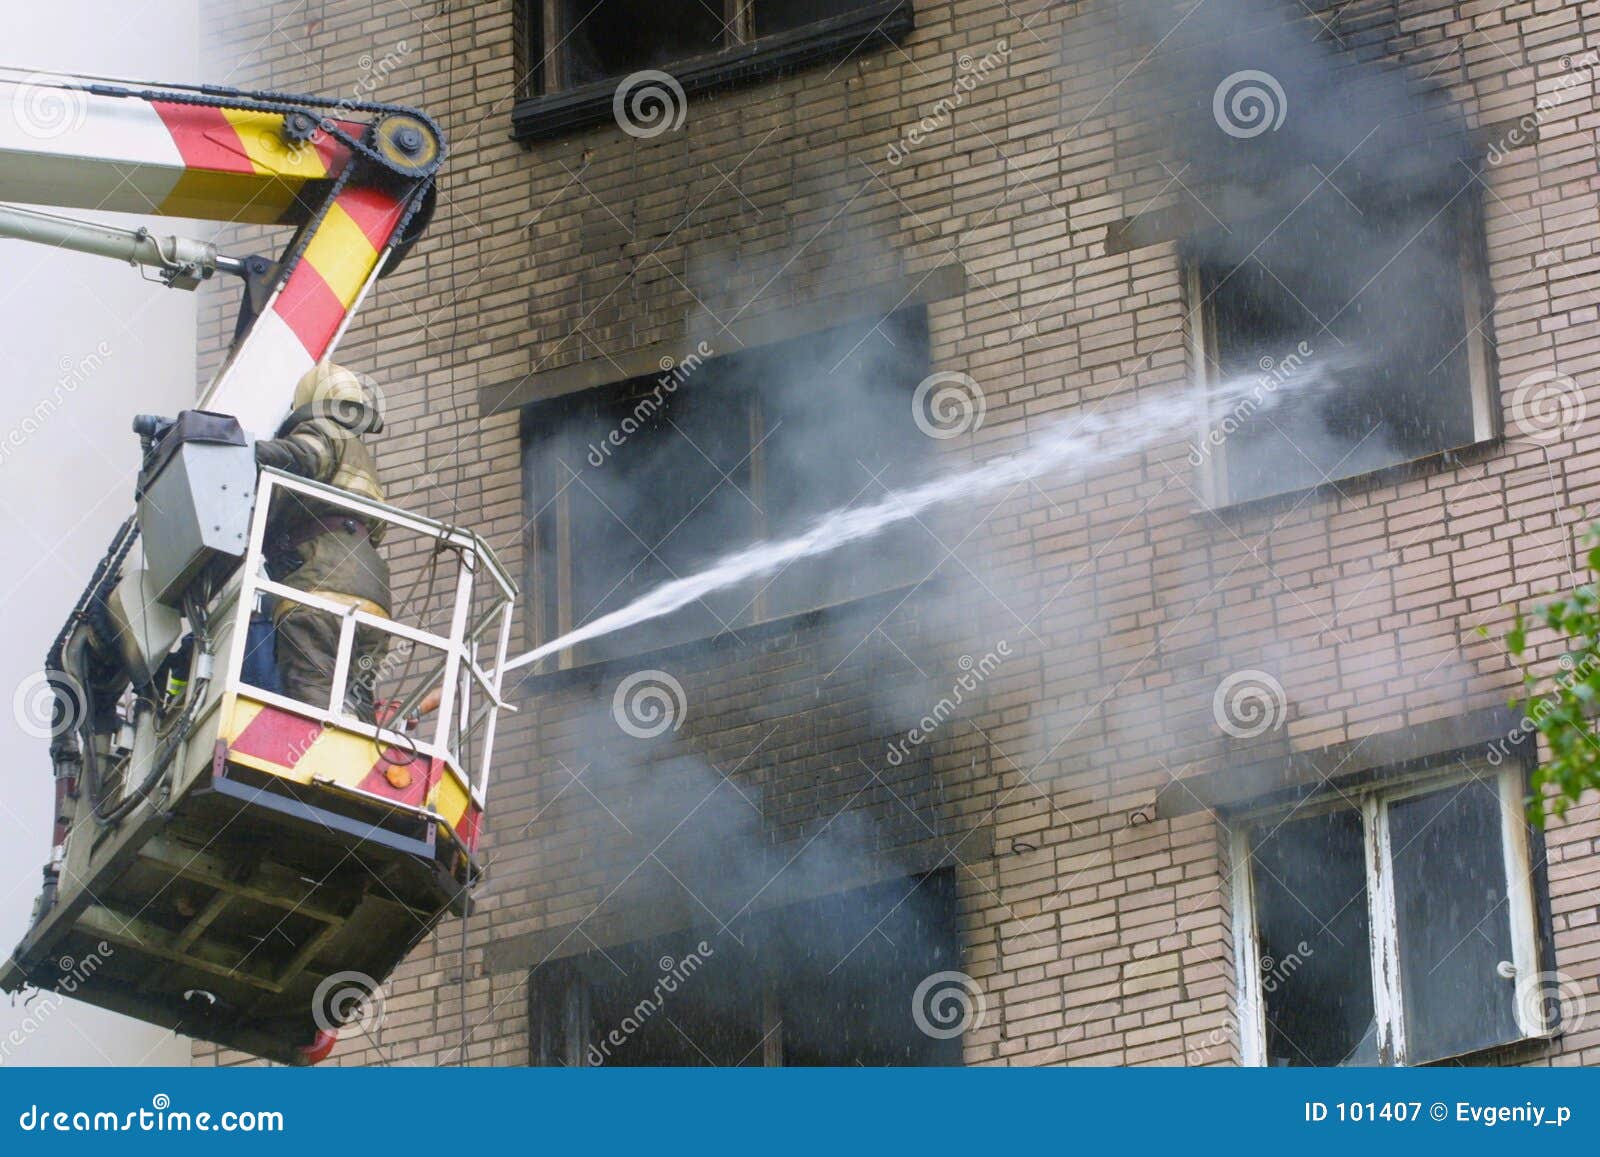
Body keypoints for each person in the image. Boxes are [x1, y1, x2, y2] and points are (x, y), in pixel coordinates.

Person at [253, 362, 391, 722]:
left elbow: (304, 456)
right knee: (355, 698)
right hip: (372, 597)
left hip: (321, 584)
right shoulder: (361, 456)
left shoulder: (324, 430)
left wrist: (249, 454)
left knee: (312, 689)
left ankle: (315, 761)